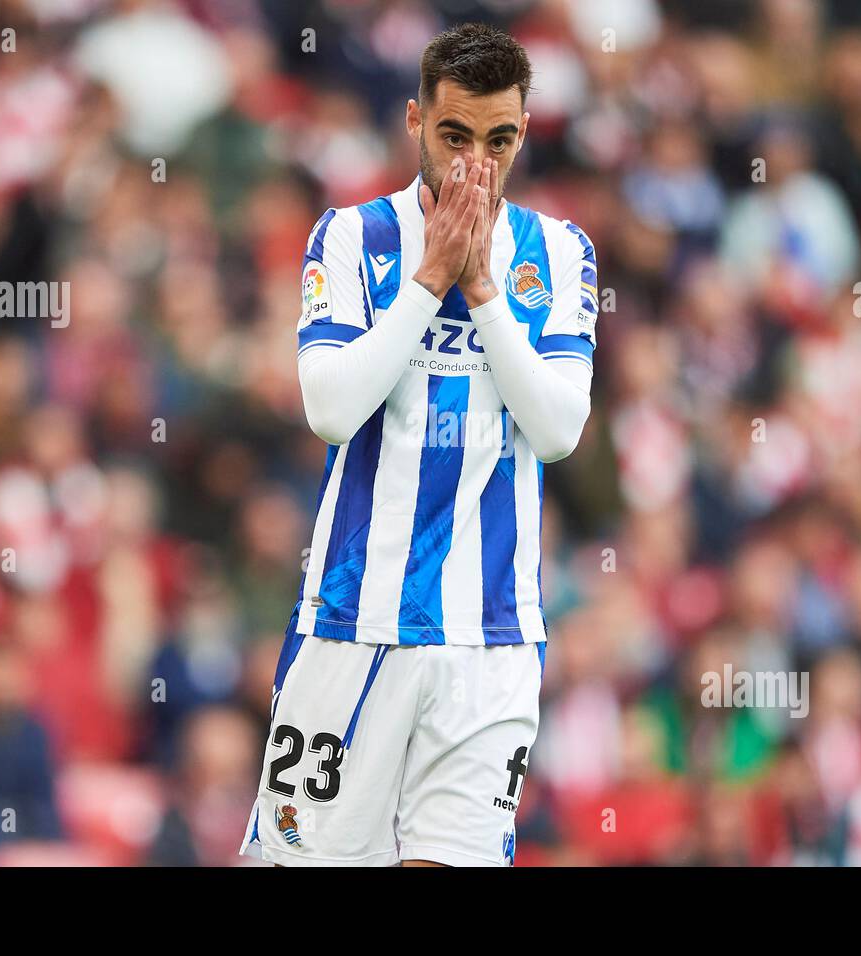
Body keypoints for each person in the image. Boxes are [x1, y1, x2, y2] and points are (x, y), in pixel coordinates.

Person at [241, 22, 598, 867]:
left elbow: (557, 432)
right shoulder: (350, 238)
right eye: (455, 135)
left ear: (523, 132)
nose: (477, 162)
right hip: (352, 616)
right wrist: (430, 276)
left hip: (491, 636)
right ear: (414, 122)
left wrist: (480, 289)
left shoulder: (560, 252)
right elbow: (329, 408)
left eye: (500, 139)